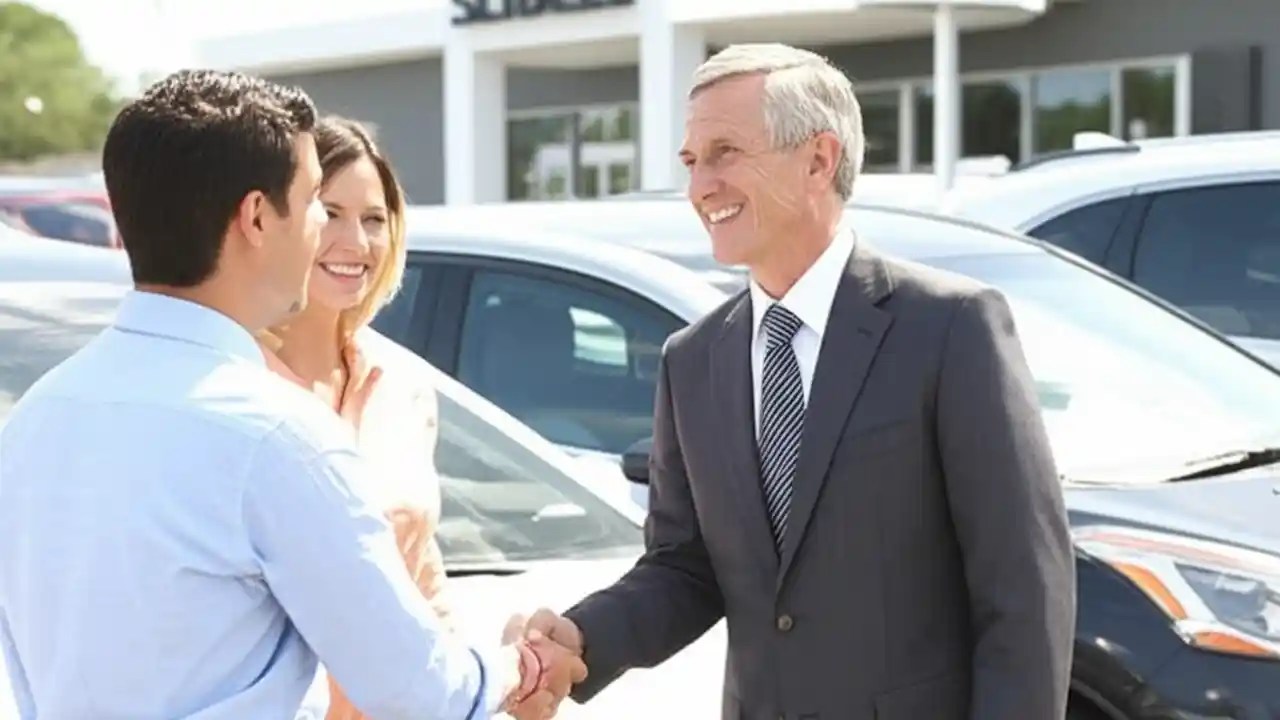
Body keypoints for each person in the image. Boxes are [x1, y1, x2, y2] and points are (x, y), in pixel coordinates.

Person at [0, 69, 583, 720]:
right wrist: (521, 665)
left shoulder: (36, 420)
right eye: (315, 204)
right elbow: (420, 692)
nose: (328, 234)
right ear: (256, 216)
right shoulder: (276, 434)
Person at [517, 43, 1076, 719]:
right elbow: (685, 567)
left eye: (725, 153)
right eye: (692, 162)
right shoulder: (693, 360)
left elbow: (1023, 588)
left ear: (818, 160)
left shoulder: (950, 327)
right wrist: (583, 638)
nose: (700, 187)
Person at [256, 115, 456, 720]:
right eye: (330, 213)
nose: (357, 242)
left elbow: (423, 582)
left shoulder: (404, 390)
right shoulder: (236, 387)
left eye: (373, 219)